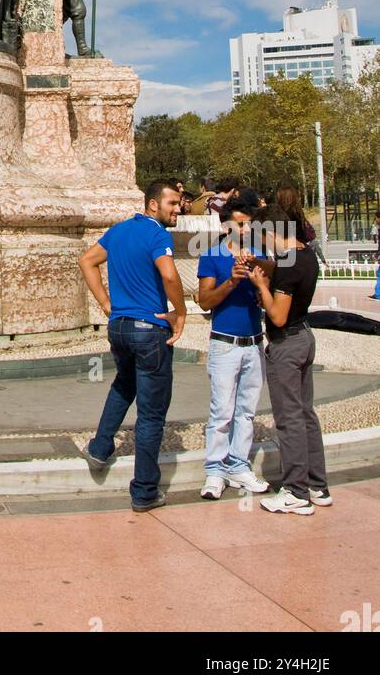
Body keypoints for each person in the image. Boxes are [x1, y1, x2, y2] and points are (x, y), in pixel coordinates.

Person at [78, 181, 186, 511]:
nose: (178, 208)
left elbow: (87, 261)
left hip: (119, 327)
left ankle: (99, 447)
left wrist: (106, 303)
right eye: (172, 203)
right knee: (152, 415)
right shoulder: (157, 234)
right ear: (153, 205)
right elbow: (168, 275)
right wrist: (179, 312)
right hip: (149, 329)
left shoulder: (119, 231)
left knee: (124, 385)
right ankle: (144, 491)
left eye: (179, 203)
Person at [249, 203, 331, 515]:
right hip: (305, 336)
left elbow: (278, 316)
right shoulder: (306, 255)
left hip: (286, 343)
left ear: (271, 232)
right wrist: (263, 268)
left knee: (289, 419)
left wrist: (261, 287)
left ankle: (296, 492)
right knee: (306, 414)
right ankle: (317, 485)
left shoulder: (286, 264)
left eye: (261, 237)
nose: (260, 244)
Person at [197, 196, 274, 500]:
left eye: (248, 224)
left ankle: (239, 465)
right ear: (226, 224)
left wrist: (259, 281)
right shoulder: (211, 255)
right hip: (224, 343)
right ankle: (215, 470)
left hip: (254, 342)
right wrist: (231, 281)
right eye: (239, 223)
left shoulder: (259, 254)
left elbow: (273, 284)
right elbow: (205, 301)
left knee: (246, 410)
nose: (244, 229)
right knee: (221, 412)